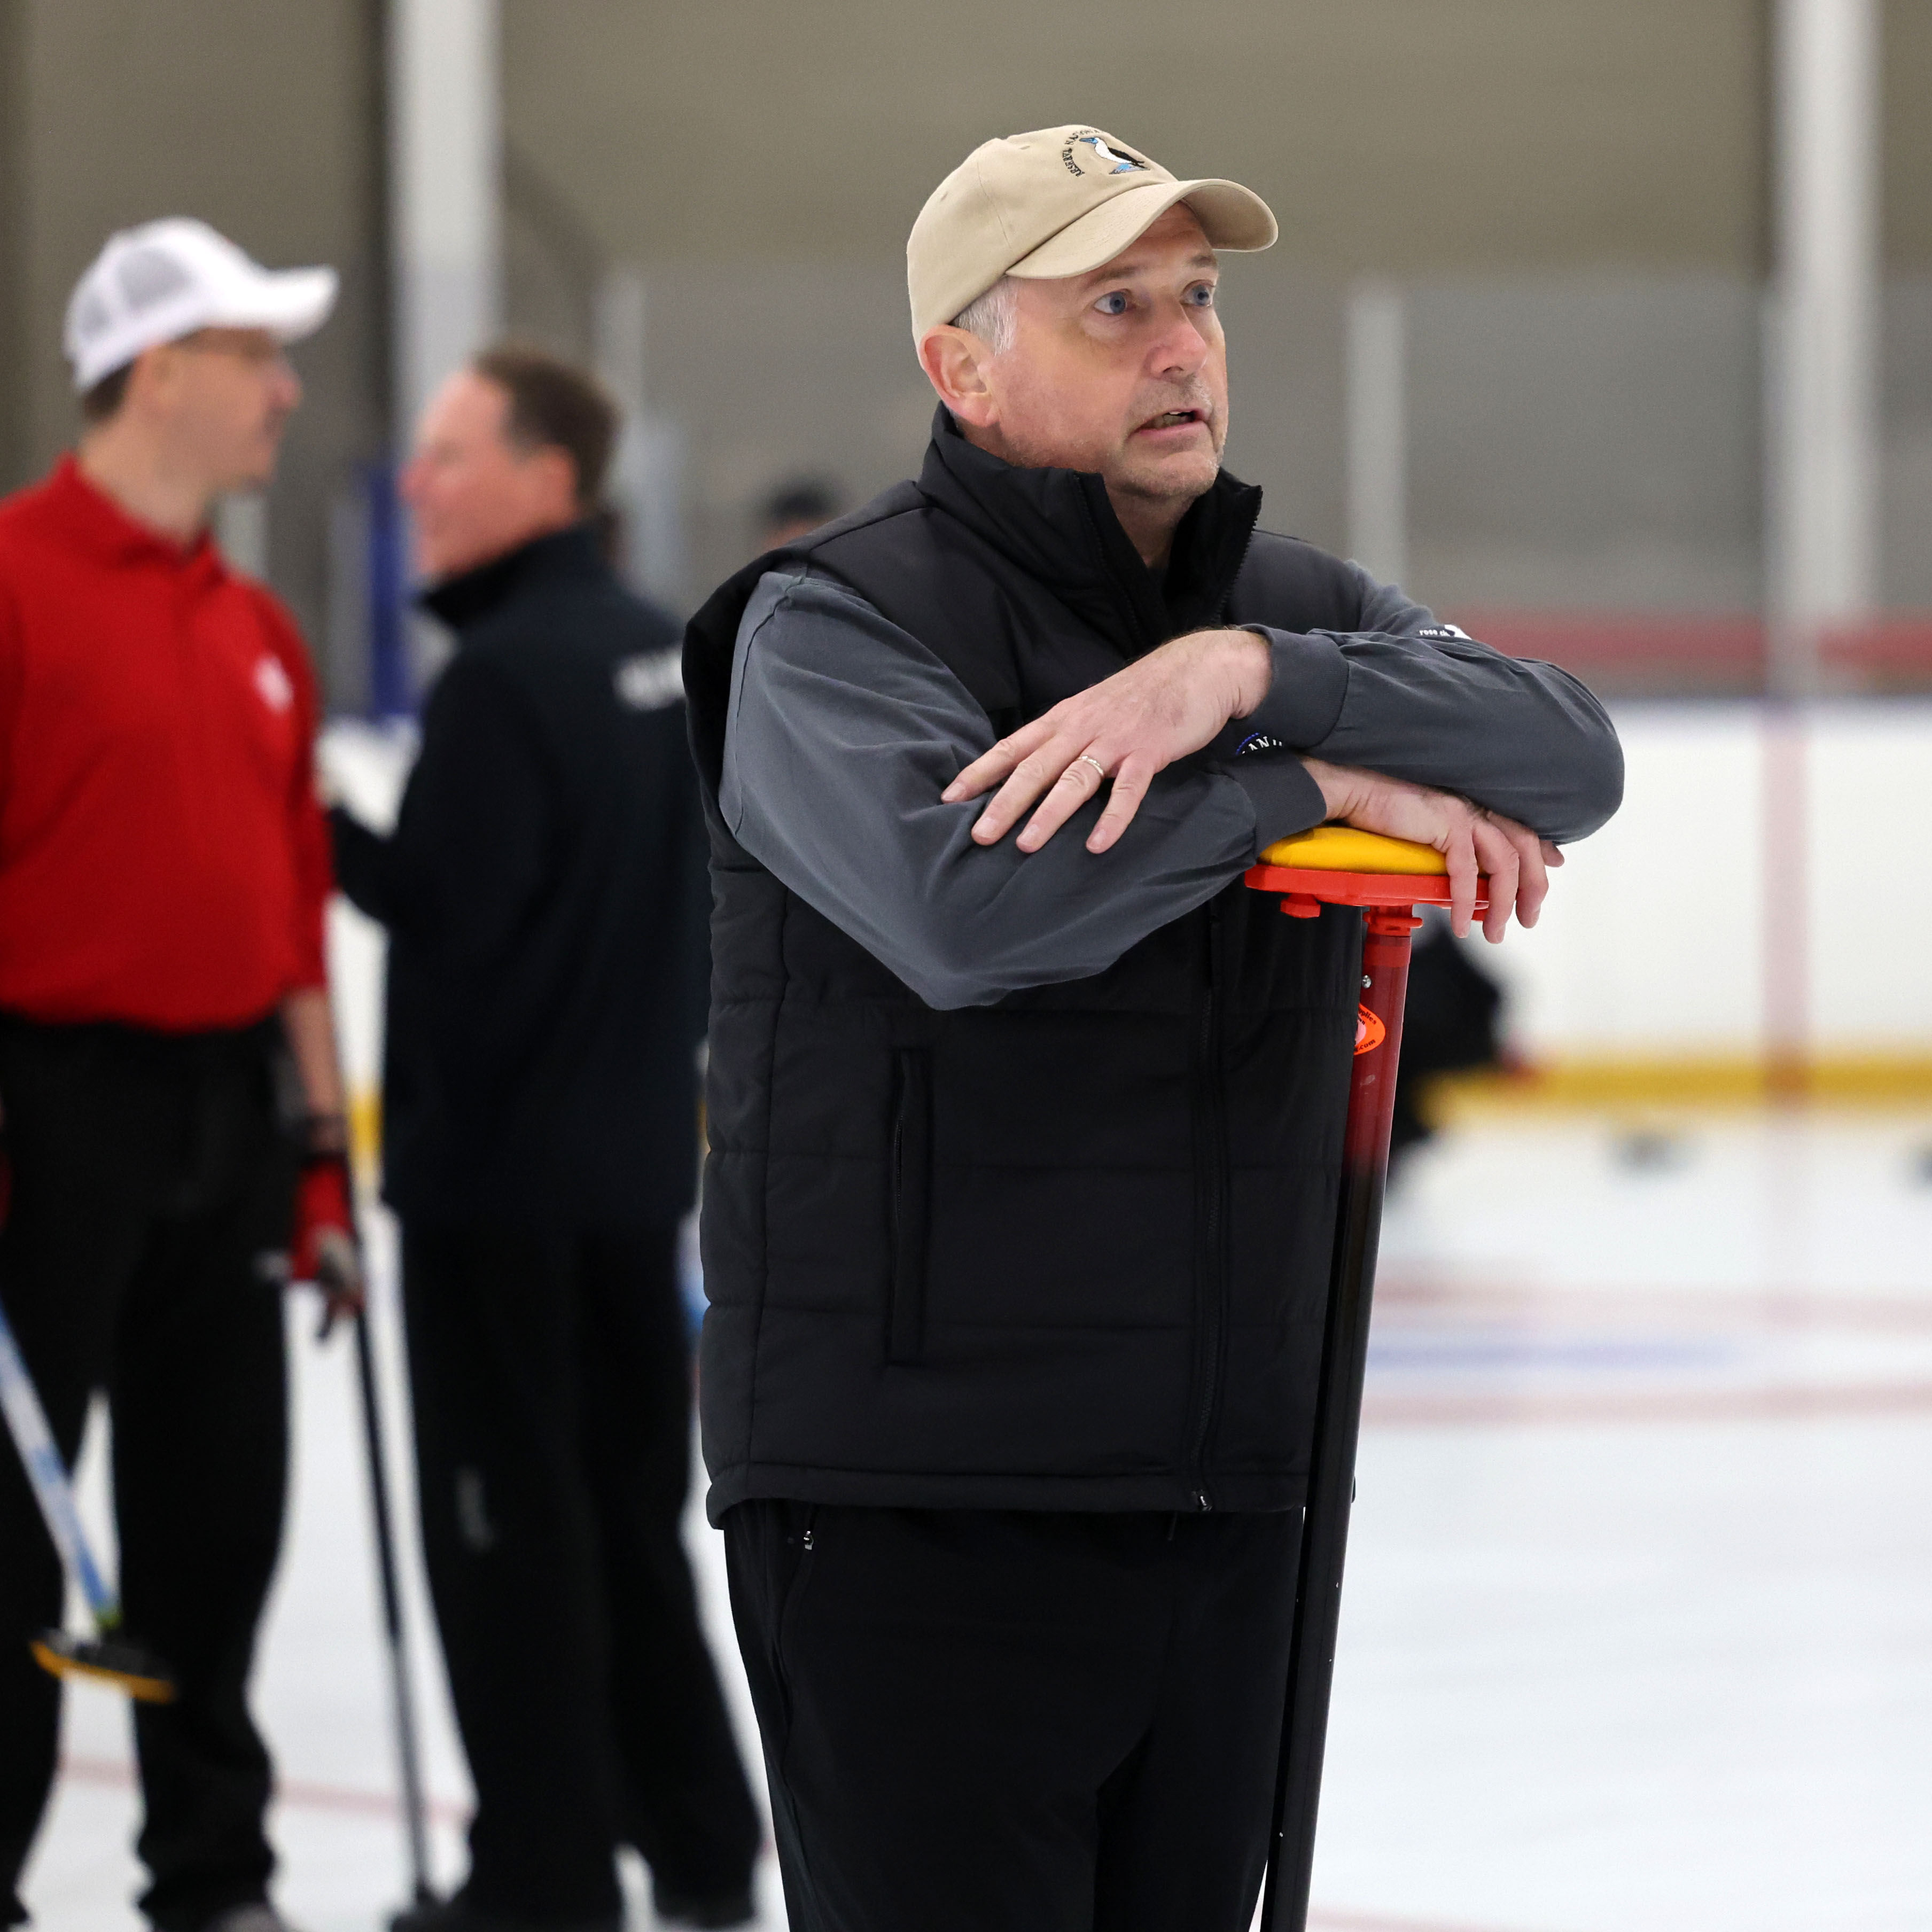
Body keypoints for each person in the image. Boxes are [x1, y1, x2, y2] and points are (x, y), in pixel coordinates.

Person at [681, 125, 1626, 1931]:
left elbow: (1568, 755)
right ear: (960, 365)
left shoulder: (1297, 613)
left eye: (1195, 300)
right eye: (1111, 306)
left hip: (1229, 1489)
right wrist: (1303, 787)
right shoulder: (831, 630)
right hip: (916, 1506)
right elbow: (967, 907)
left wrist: (1255, 681)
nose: (1182, 344)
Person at [329, 347, 760, 1932]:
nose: (417, 488)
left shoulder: (506, 677)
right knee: (629, 1518)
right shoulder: (661, 656)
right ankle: (705, 1844)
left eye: (448, 456)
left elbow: (458, 915)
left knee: (509, 1532)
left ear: (549, 481)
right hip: (637, 1167)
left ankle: (543, 1874)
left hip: (500, 1186)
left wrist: (314, 835)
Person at [0, 219, 357, 1932]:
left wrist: (319, 1164)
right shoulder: (10, 585)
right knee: (13, 1527)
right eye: (256, 359)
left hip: (226, 1108)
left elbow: (292, 919)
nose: (285, 392)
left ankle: (211, 1872)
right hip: (41, 1111)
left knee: (217, 1518)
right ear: (161, 376)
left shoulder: (257, 629)